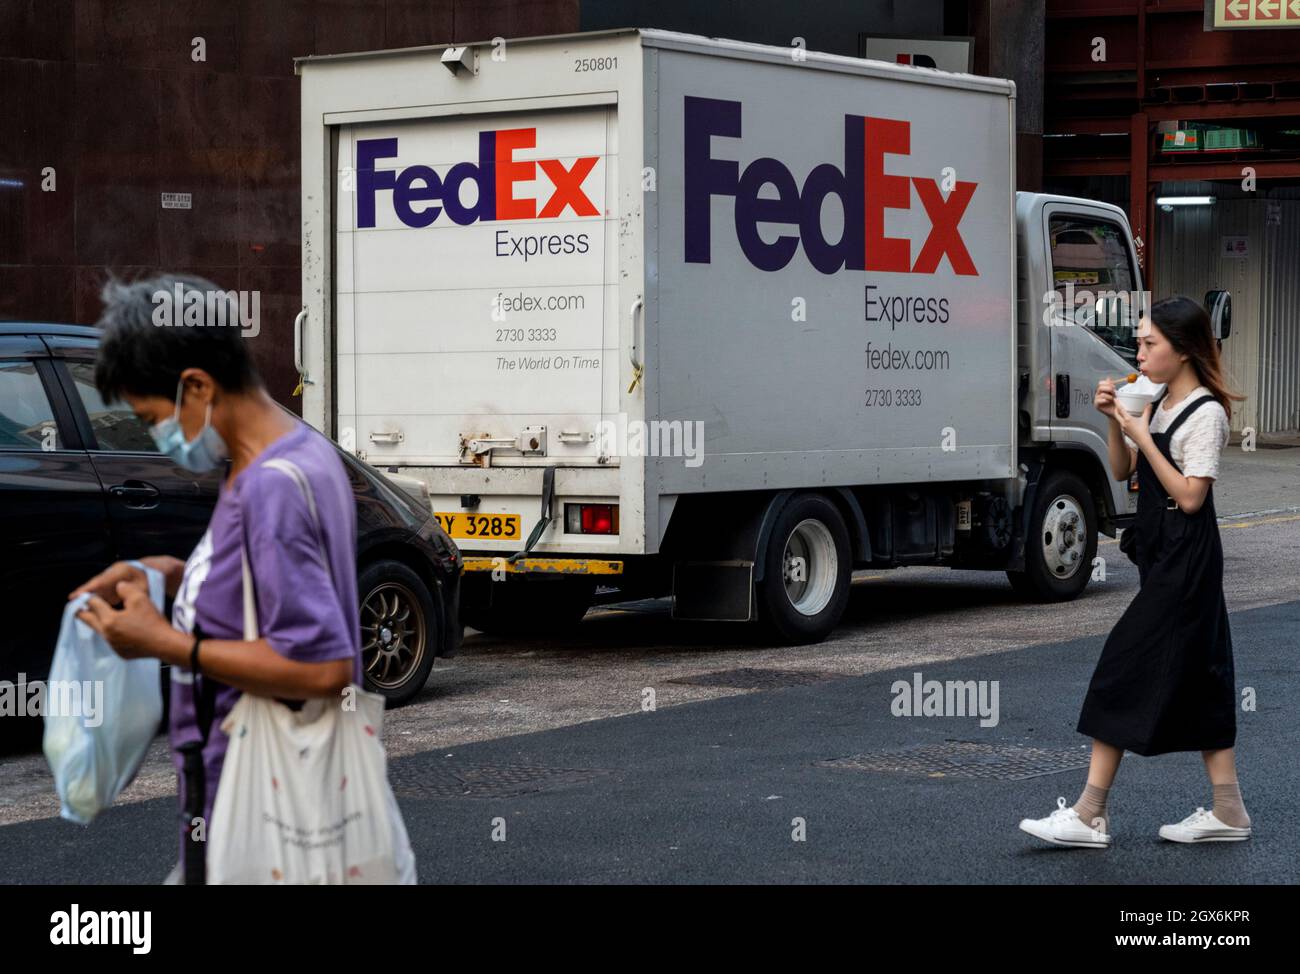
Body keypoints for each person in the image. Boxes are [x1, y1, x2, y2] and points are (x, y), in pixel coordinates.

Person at [70, 274, 362, 883]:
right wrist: (171, 577)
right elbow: (267, 588)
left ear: (197, 385)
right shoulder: (291, 453)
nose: (157, 436)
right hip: (240, 796)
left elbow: (326, 670)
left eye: (152, 417)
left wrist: (165, 644)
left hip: (260, 808)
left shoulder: (271, 486)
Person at [1019, 295, 1248, 848]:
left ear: (1185, 349)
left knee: (1121, 668)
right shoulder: (1160, 402)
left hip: (1187, 560)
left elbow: (1192, 497)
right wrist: (1115, 424)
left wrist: (1141, 431)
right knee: (1202, 675)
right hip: (1163, 555)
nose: (1138, 353)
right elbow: (1126, 471)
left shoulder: (1206, 413)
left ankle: (1089, 812)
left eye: (1150, 344)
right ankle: (1230, 810)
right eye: (1139, 343)